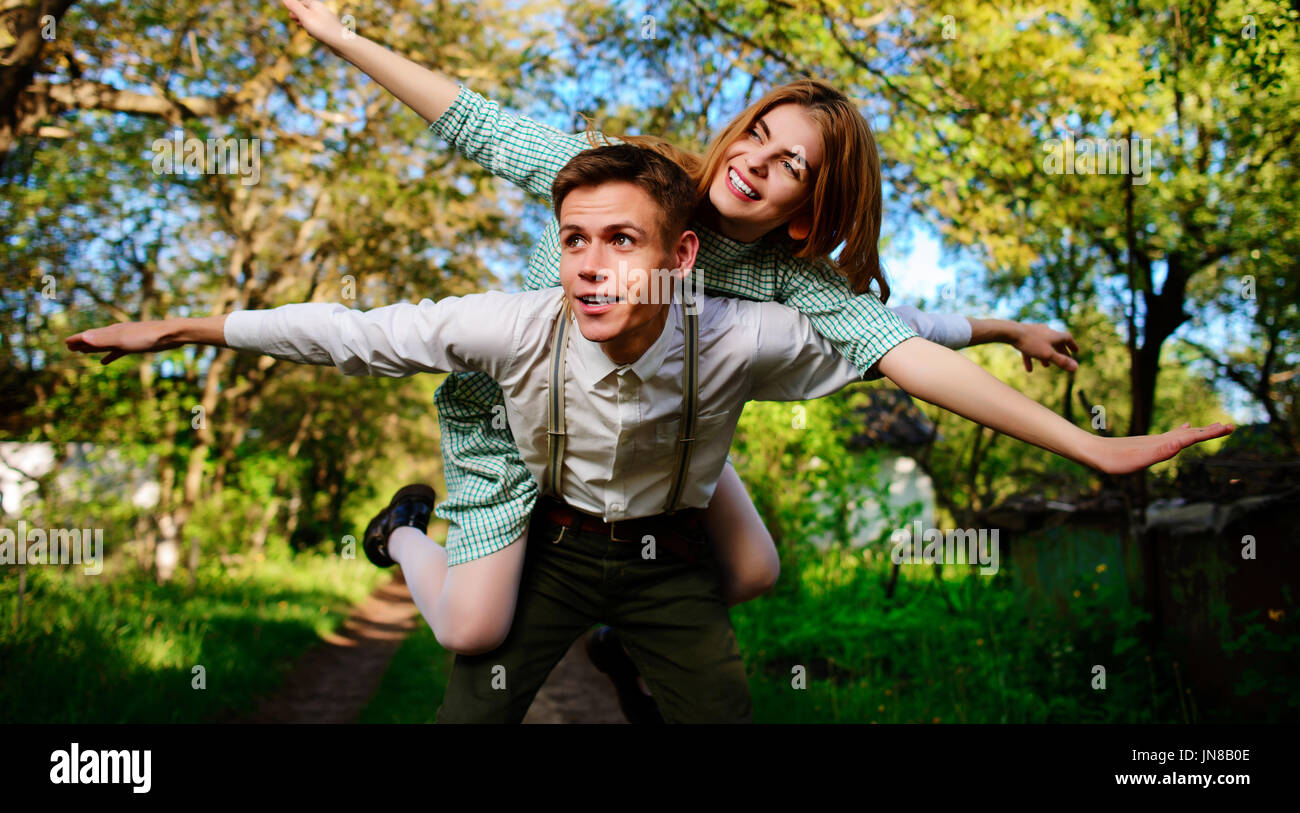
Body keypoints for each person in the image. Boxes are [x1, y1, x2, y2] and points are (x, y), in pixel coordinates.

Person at [67, 143, 1233, 723]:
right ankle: (406, 534)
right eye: (574, 238)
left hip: (669, 534)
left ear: (679, 259)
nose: (587, 263)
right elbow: (350, 330)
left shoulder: (749, 328)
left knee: (747, 600)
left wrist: (1068, 418)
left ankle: (638, 657)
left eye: (619, 241)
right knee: (472, 658)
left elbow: (902, 341)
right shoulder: (510, 324)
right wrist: (185, 328)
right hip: (557, 529)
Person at [280, 0, 1085, 713]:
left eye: (789, 165)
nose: (755, 161)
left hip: (663, 425)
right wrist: (341, 37)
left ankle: (624, 642)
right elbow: (479, 122)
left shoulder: (786, 278)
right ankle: (402, 532)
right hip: (524, 419)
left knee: (754, 570)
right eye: (758, 135)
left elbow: (900, 338)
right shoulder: (639, 180)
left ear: (807, 211)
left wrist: (1021, 347)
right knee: (472, 624)